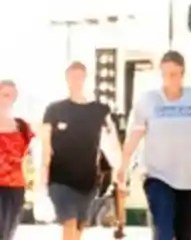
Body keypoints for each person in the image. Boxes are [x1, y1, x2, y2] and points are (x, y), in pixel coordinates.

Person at [119, 51, 191, 240]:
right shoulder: (148, 100)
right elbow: (135, 135)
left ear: (183, 74)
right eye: (165, 74)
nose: (169, 80)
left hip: (190, 178)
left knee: (186, 233)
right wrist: (123, 166)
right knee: (163, 231)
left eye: (174, 74)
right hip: (157, 176)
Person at [39, 62, 121, 240]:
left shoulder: (99, 110)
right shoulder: (54, 110)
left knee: (79, 226)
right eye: (72, 76)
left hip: (88, 180)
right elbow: (45, 142)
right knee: (69, 221)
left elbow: (111, 142)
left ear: (85, 78)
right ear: (66, 79)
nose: (76, 80)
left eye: (79, 76)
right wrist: (43, 173)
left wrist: (120, 170)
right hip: (59, 179)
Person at [0, 80, 35, 240]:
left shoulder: (22, 126)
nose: (9, 100)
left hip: (15, 188)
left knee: (7, 233)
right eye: (5, 95)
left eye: (13, 96)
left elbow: (28, 157)